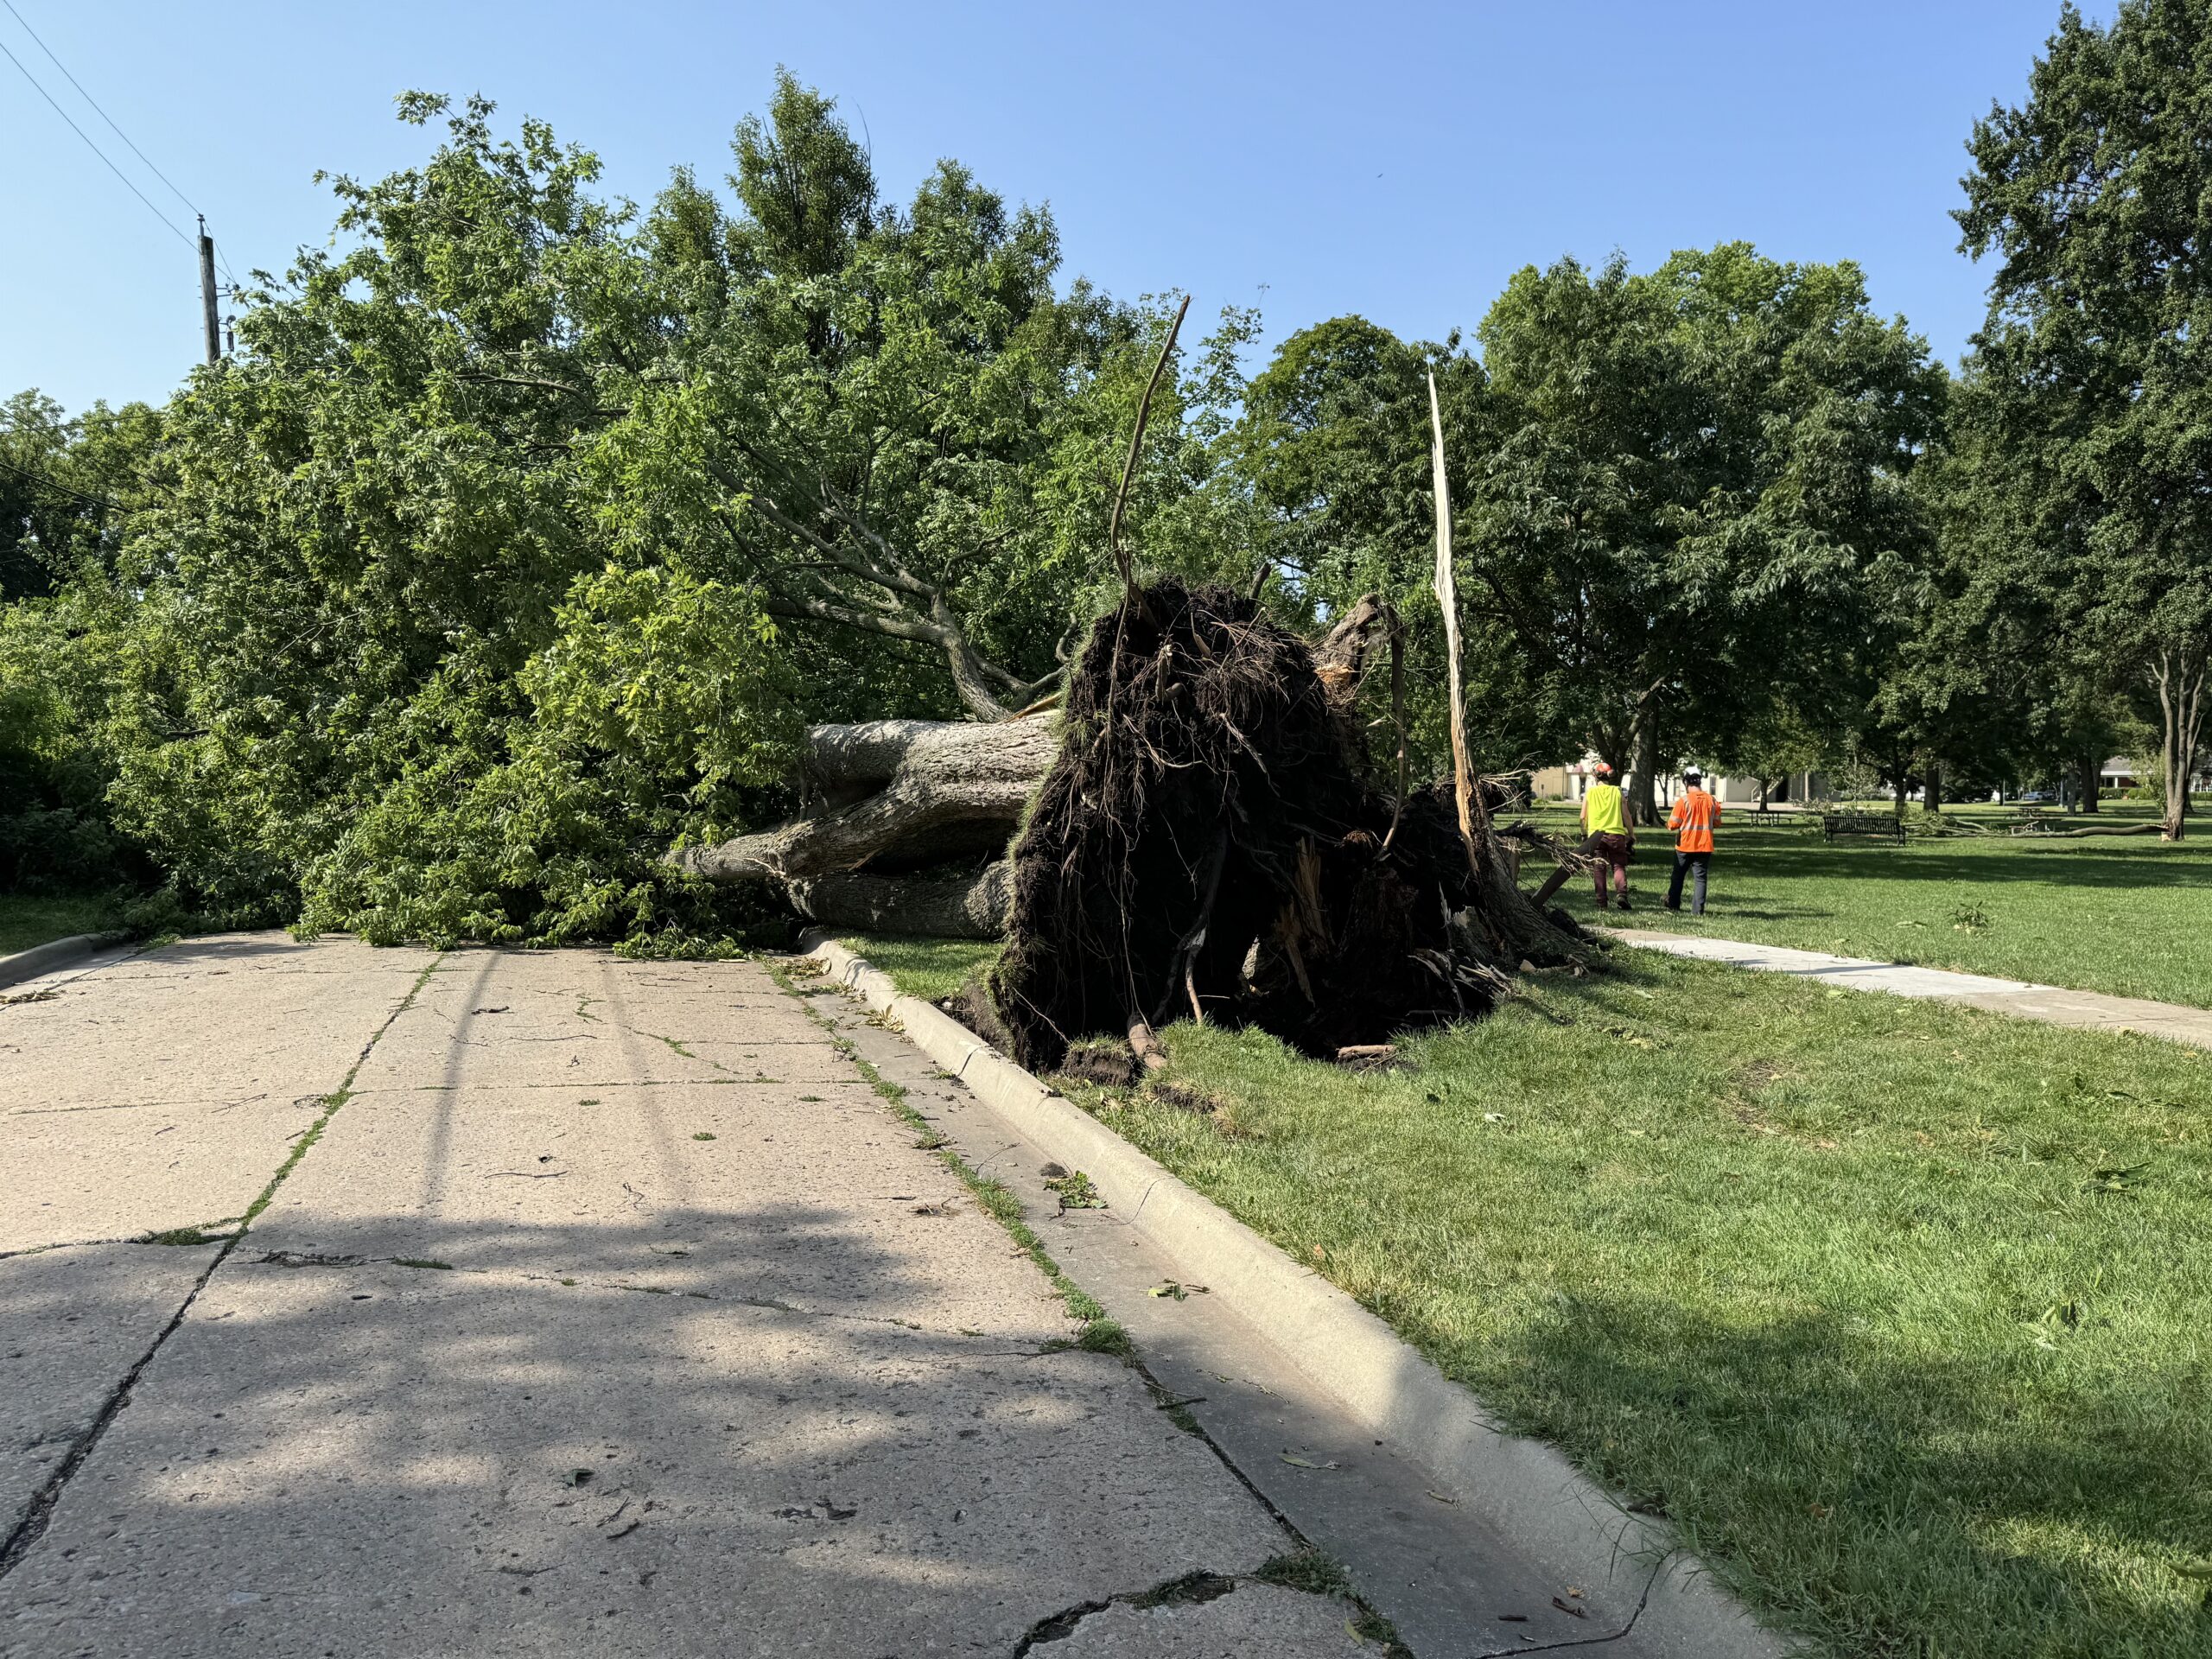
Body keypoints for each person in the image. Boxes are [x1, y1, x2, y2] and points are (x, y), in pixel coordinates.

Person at [1579, 761, 1634, 911]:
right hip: (1616, 835)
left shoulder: (1590, 793)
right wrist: (1631, 834)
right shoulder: (1617, 791)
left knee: (1599, 868)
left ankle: (1602, 903)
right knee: (1618, 866)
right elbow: (1626, 815)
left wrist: (1584, 835)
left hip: (1596, 837)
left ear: (1596, 776)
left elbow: (1583, 817)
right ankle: (1621, 894)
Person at [1665, 767, 1719, 914]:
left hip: (1685, 845)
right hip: (1705, 845)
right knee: (1700, 879)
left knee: (1678, 876)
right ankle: (1697, 911)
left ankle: (1673, 905)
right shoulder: (1712, 800)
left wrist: (1669, 825)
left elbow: (1673, 824)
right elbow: (1717, 822)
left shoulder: (1684, 801)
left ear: (1685, 782)